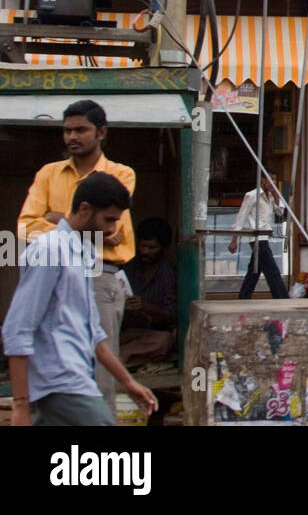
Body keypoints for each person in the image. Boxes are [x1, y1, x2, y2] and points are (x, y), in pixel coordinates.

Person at [3, 172, 158, 426]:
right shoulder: (50, 250)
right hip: (59, 381)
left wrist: (127, 381)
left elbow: (93, 332)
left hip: (75, 378)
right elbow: (17, 328)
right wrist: (21, 406)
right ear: (85, 209)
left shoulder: (82, 253)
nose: (111, 229)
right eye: (108, 219)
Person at [17, 99, 137, 407]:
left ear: (101, 133)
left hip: (100, 276)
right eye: (67, 130)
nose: (72, 136)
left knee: (98, 374)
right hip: (54, 269)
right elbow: (25, 228)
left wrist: (58, 219)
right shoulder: (49, 173)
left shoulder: (121, 174)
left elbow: (113, 233)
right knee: (52, 360)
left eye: (81, 130)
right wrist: (73, 227)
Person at [120, 217, 178, 366]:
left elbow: (171, 317)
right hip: (126, 331)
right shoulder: (128, 267)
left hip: (151, 334)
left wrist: (147, 307)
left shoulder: (168, 274)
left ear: (164, 248)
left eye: (152, 248)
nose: (145, 252)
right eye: (142, 246)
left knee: (164, 341)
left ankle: (122, 357)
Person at [229, 173, 290, 299]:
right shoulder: (252, 196)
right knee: (271, 269)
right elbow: (241, 218)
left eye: (274, 179)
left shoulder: (271, 197)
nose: (271, 182)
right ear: (262, 180)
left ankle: (243, 298)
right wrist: (234, 240)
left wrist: (276, 195)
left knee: (254, 271)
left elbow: (280, 212)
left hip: (265, 236)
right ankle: (282, 297)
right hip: (257, 237)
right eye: (269, 179)